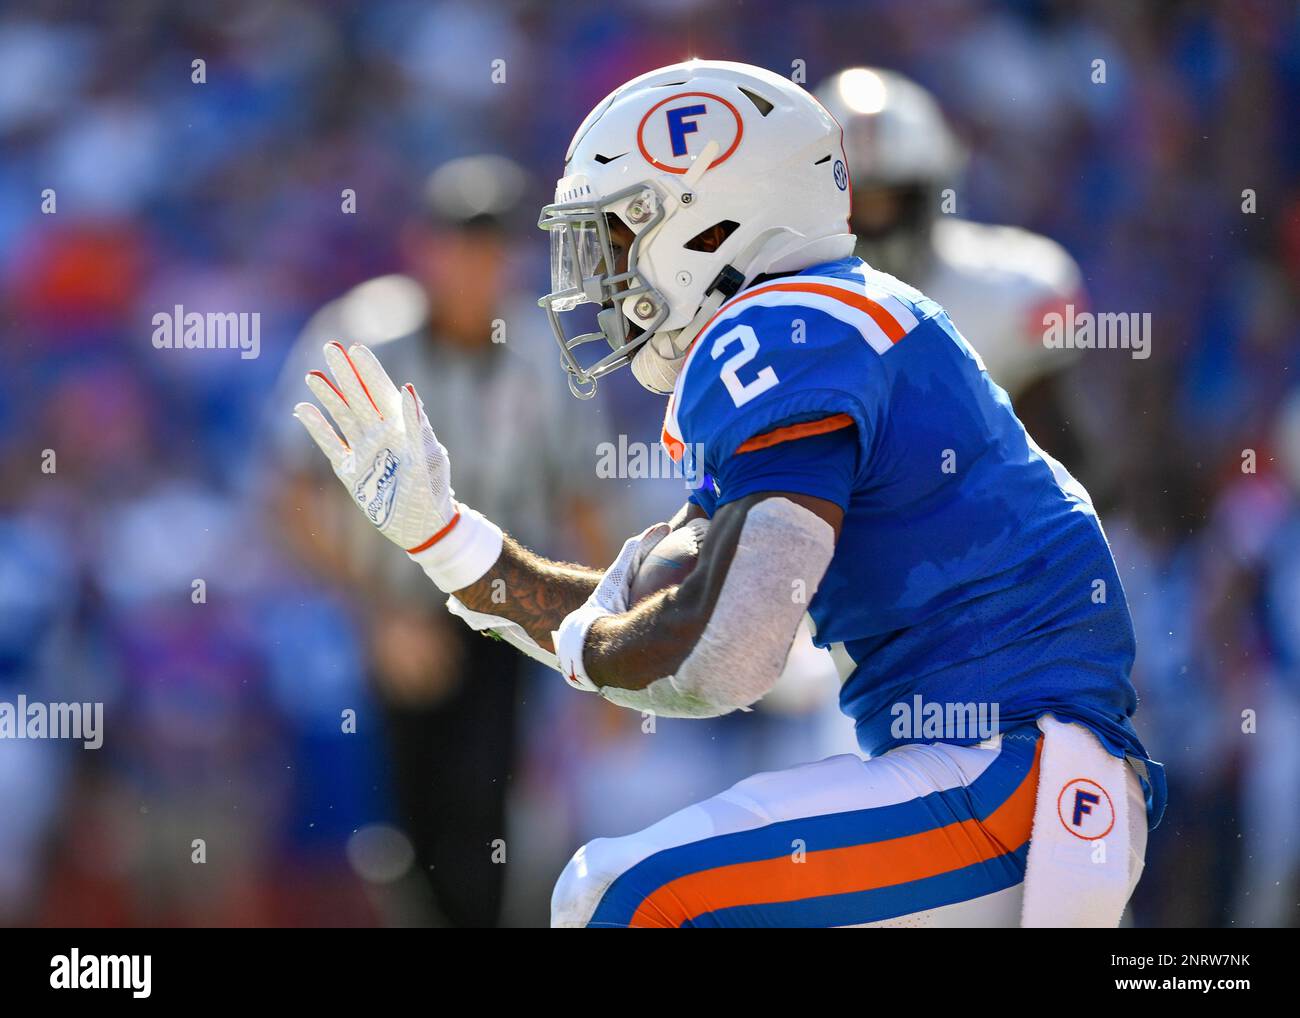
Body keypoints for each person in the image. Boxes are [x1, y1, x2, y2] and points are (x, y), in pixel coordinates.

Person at [292, 60, 1163, 927]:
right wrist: (442, 537)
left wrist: (602, 650)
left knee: (624, 895)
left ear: (708, 226)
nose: (603, 276)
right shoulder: (819, 324)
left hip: (1011, 775)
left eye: (622, 235)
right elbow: (655, 610)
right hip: (1006, 774)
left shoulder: (783, 330)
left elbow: (722, 653)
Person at [270, 155, 604, 926]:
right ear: (423, 246)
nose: (474, 264)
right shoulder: (364, 335)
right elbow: (289, 496)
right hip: (387, 609)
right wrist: (376, 615)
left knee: (487, 813)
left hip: (508, 604)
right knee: (402, 827)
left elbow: (584, 498)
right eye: (459, 242)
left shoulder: (539, 353)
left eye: (489, 245)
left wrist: (606, 636)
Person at [815, 67, 1087, 467]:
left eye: (894, 201)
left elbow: (1061, 456)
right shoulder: (784, 301)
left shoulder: (1013, 287)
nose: (878, 224)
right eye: (862, 204)